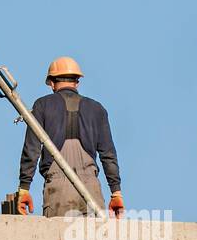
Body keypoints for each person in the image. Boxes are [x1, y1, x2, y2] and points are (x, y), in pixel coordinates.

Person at [16, 57, 124, 217]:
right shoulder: (97, 109)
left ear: (52, 83)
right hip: (91, 187)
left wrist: (24, 188)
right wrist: (116, 193)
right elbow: (108, 155)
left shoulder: (42, 105)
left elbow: (31, 150)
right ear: (77, 82)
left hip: (58, 189)